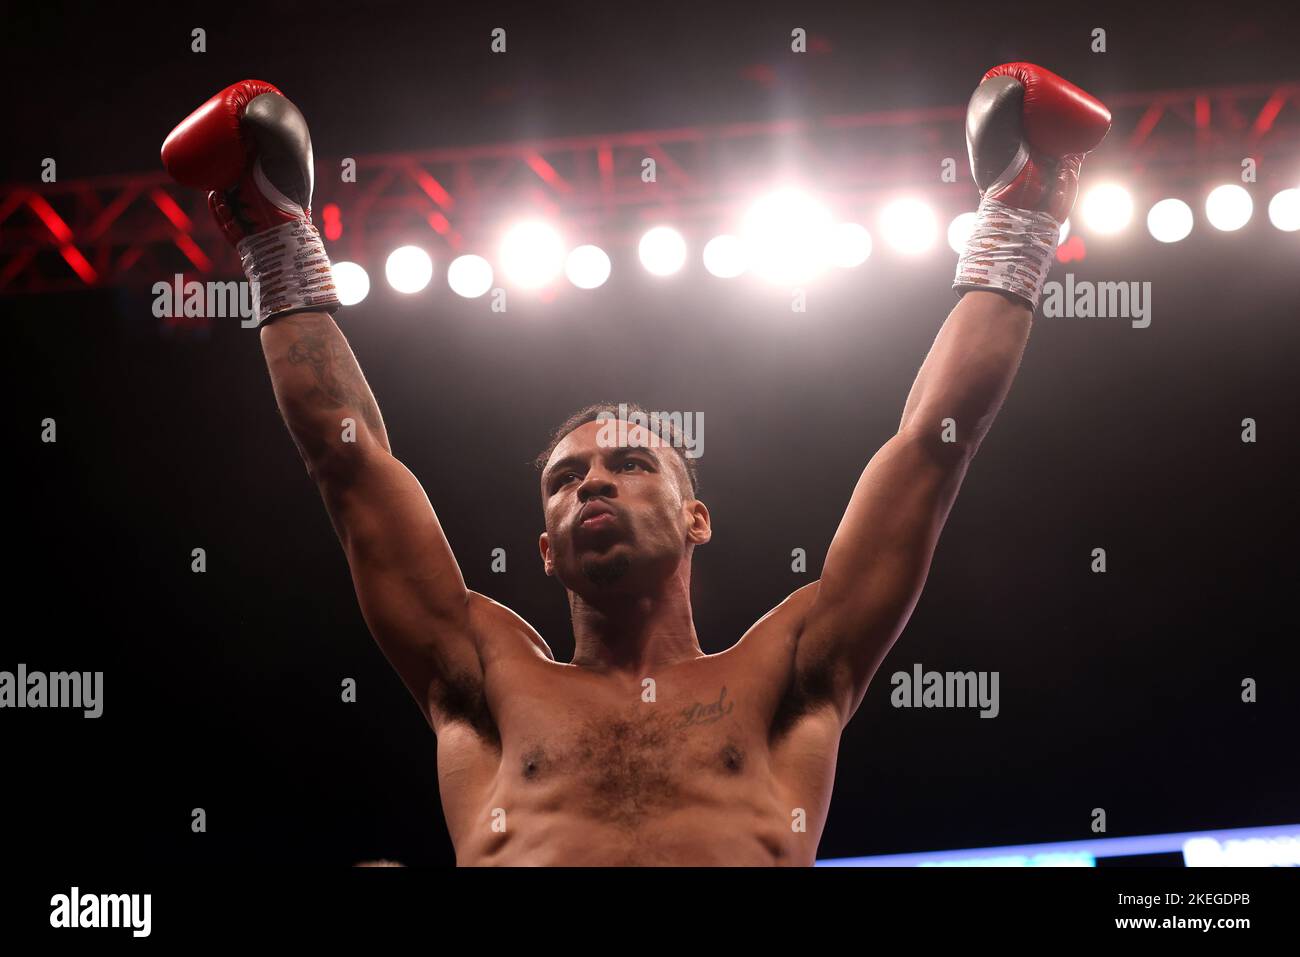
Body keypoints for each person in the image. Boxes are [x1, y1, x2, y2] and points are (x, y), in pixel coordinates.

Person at [161, 64, 1110, 865]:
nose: (593, 484)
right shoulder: (486, 674)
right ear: (543, 548)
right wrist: (274, 241)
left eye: (627, 464)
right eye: (566, 479)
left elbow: (928, 453)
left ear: (699, 519)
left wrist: (1020, 219)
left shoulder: (788, 668)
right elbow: (351, 466)